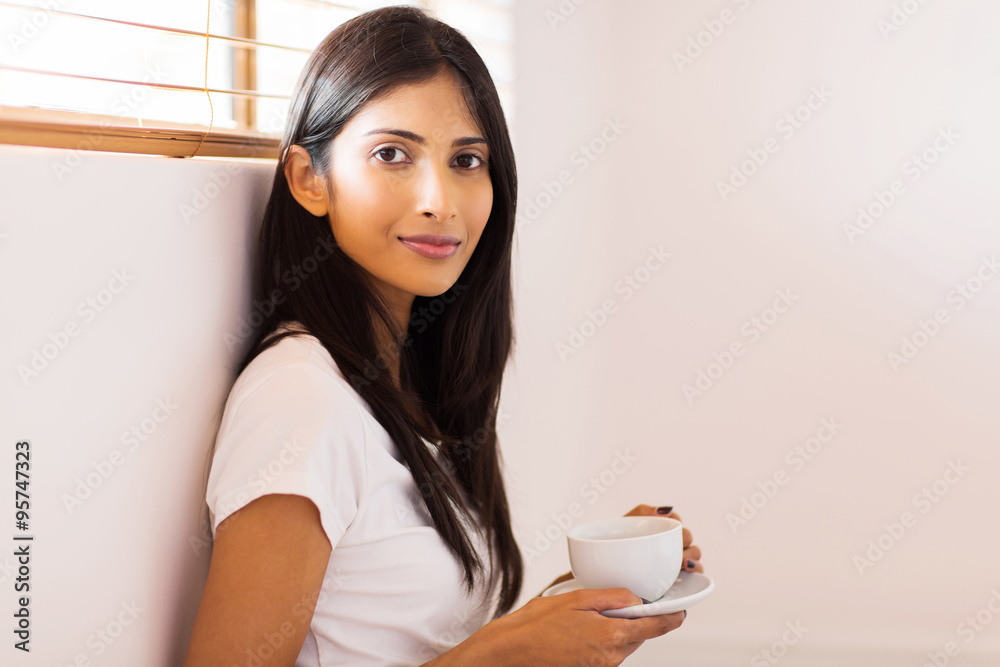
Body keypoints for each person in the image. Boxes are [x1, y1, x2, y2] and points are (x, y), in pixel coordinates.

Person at [183, 5, 704, 666]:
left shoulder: (404, 385)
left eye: (466, 159)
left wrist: (587, 599)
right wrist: (499, 655)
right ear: (309, 179)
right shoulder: (301, 399)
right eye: (392, 154)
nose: (439, 200)